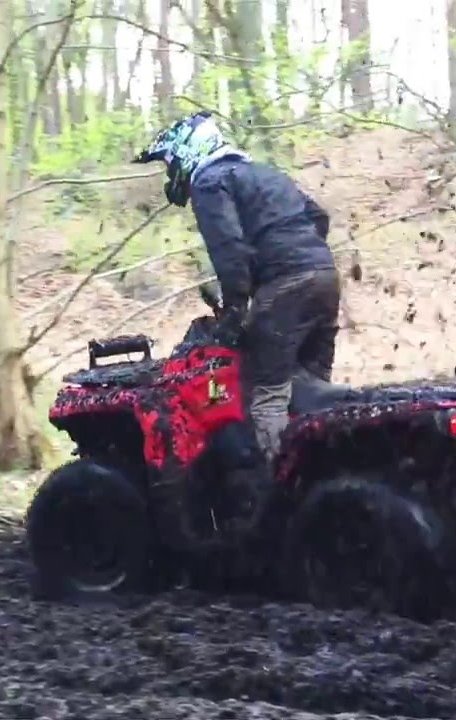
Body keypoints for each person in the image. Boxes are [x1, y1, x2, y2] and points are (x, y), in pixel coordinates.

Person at [133, 111, 341, 512]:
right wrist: (302, 255)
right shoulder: (263, 174)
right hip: (325, 278)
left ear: (186, 153)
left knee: (265, 397)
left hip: (286, 289)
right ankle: (324, 487)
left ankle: (279, 508)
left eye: (169, 162)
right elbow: (319, 216)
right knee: (310, 394)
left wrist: (235, 307)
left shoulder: (210, 182)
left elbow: (229, 251)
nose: (170, 171)